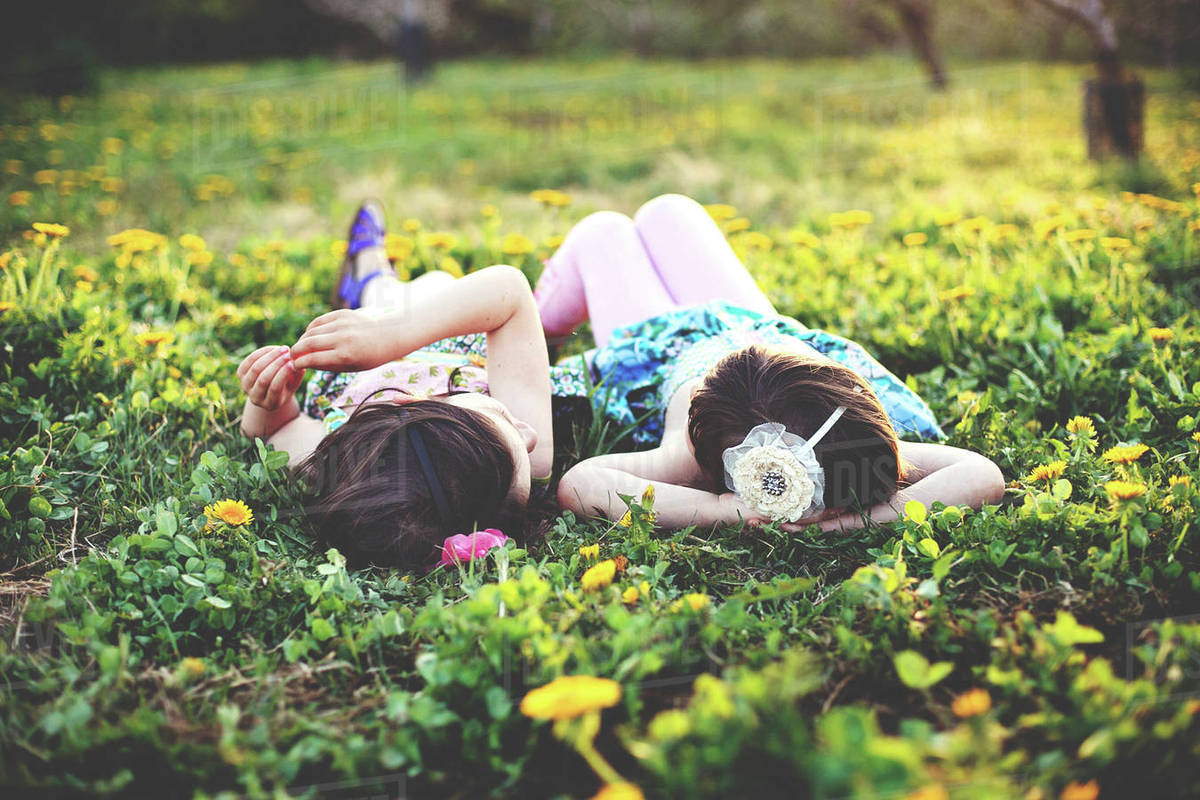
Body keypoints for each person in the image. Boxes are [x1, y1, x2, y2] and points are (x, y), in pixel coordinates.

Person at [540, 194, 1005, 531]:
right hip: (676, 343)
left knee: (611, 229)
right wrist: (723, 509)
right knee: (659, 213)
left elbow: (981, 475)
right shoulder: (692, 453)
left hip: (756, 337)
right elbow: (581, 483)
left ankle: (538, 309)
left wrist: (852, 524)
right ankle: (537, 325)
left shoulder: (851, 445)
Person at [236, 203, 586, 567]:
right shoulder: (529, 463)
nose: (529, 432)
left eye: (499, 414)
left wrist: (268, 397)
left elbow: (276, 431)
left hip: (366, 334)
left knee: (391, 296)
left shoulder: (346, 457)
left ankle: (370, 275)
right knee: (436, 284)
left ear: (410, 404)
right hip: (440, 330)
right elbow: (509, 291)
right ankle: (373, 276)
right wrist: (393, 335)